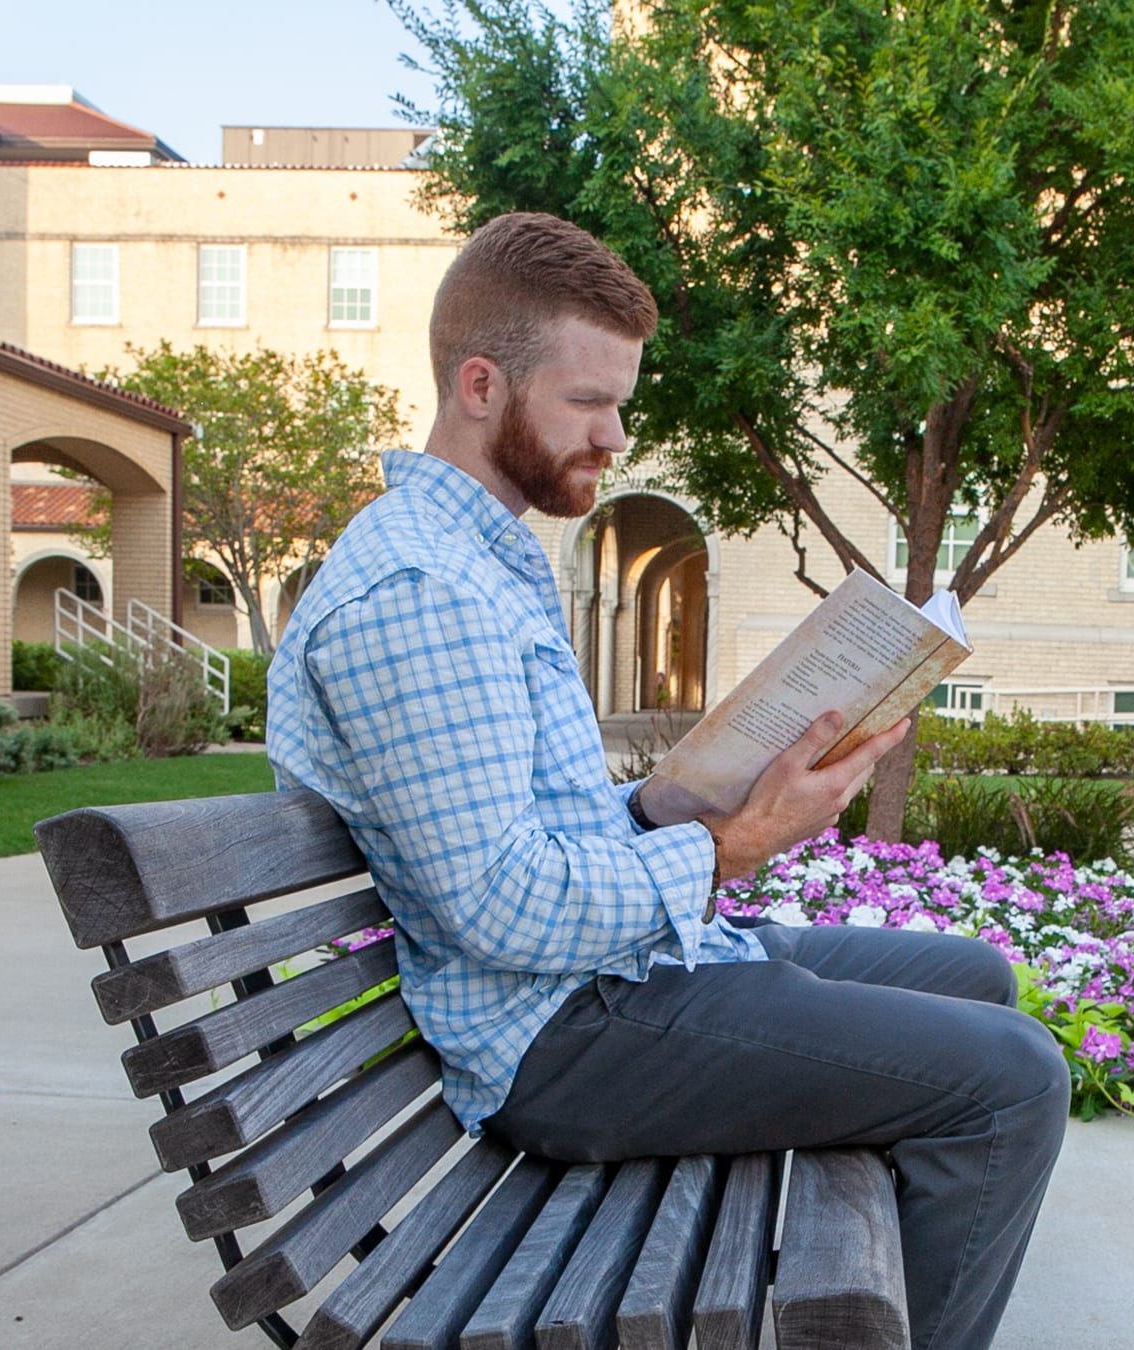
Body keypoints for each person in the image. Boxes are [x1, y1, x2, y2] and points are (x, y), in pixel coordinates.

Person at [265, 211, 1068, 1350]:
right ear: (481, 384)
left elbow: (544, 833)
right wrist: (735, 847)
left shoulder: (483, 563)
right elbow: (499, 906)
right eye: (589, 402)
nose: (616, 436)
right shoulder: (418, 595)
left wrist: (686, 795)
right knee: (1012, 1083)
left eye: (623, 405)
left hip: (617, 975)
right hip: (561, 1037)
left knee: (975, 977)